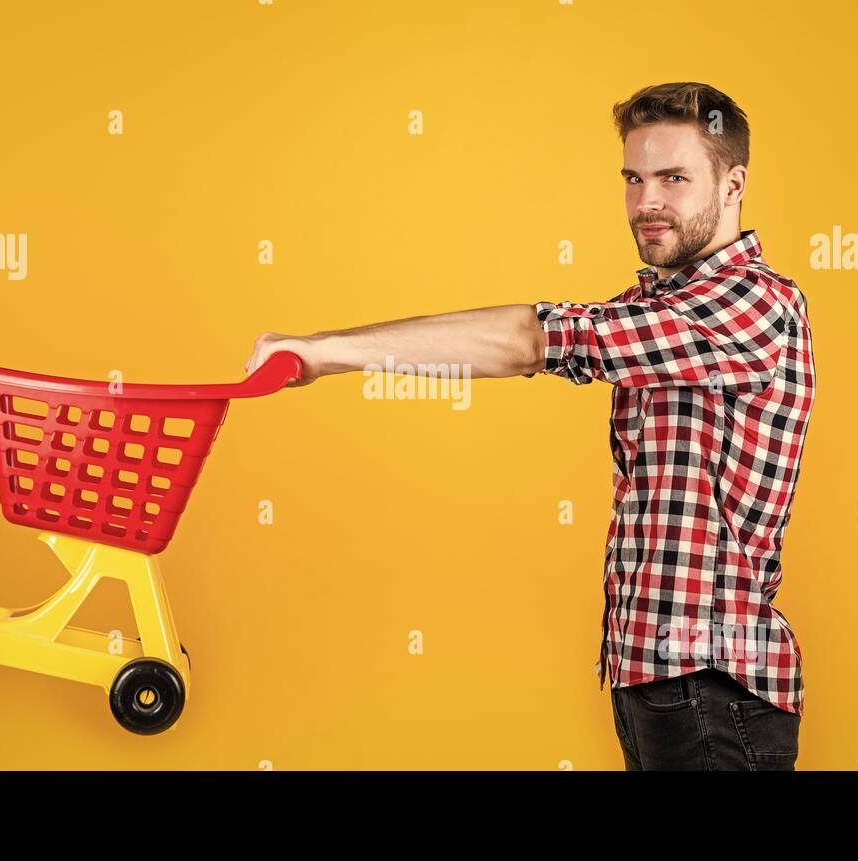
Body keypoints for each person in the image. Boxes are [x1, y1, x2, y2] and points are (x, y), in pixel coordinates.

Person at [244, 82, 815, 771]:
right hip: (659, 681)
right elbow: (526, 344)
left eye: (673, 178)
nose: (646, 203)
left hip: (715, 689)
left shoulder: (752, 305)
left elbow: (535, 338)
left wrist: (324, 350)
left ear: (733, 185)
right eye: (633, 179)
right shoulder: (658, 303)